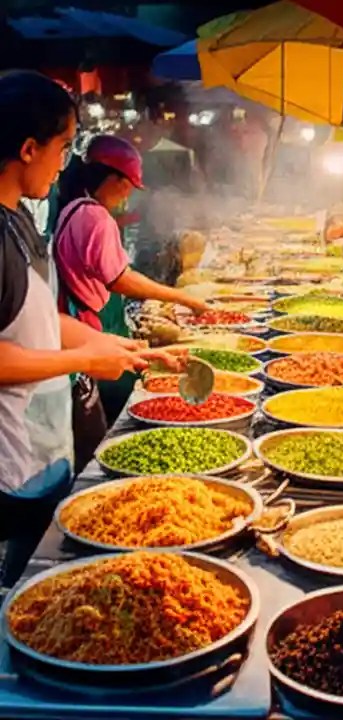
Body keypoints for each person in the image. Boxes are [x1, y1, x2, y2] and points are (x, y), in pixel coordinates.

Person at [0, 70, 178, 588]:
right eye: (62, 146)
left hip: (41, 441)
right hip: (10, 452)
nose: (65, 163)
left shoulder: (19, 222)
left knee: (36, 561)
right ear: (29, 148)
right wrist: (86, 361)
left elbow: (35, 317)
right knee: (30, 580)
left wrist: (108, 343)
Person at [53, 133, 208, 460]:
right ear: (110, 177)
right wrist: (186, 300)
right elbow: (120, 279)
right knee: (122, 409)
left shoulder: (72, 208)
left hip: (84, 323)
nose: (127, 194)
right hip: (91, 325)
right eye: (126, 185)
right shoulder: (94, 217)